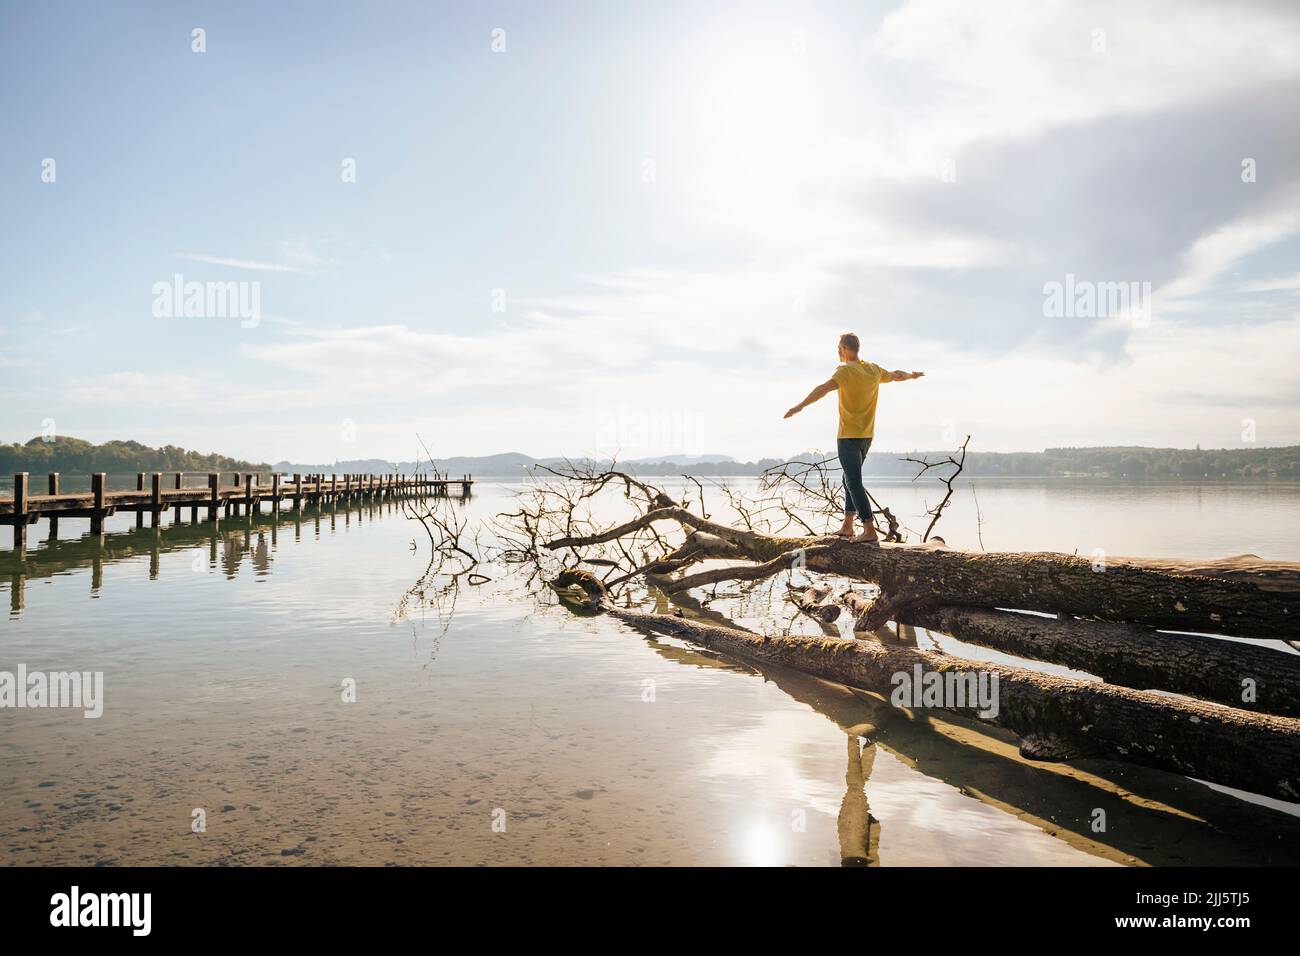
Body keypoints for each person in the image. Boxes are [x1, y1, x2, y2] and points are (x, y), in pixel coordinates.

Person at [783, 333, 924, 543]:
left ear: (845, 348)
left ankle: (869, 529)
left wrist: (799, 406)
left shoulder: (846, 372)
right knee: (848, 478)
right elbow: (896, 375)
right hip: (866, 436)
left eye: (838, 348)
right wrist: (912, 376)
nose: (837, 352)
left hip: (848, 437)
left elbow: (822, 389)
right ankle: (847, 526)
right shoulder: (873, 369)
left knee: (853, 481)